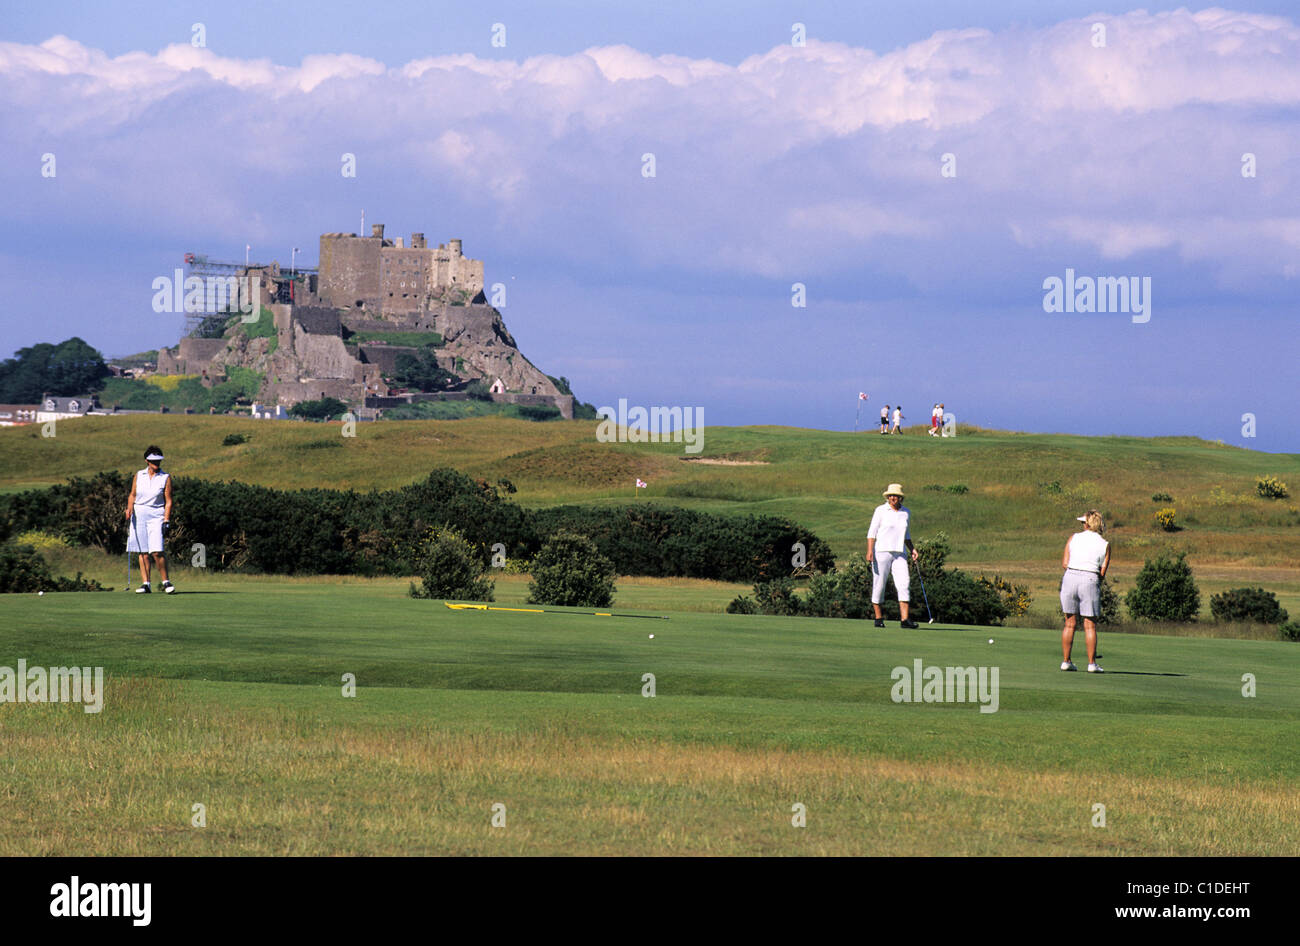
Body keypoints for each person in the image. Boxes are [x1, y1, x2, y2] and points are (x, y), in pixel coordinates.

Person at [1060, 510, 1109, 672]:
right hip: (1090, 578)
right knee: (1089, 626)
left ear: (1088, 524)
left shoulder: (1073, 538)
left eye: (1083, 522)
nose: (1082, 524)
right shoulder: (1105, 544)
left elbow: (1065, 563)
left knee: (1070, 623)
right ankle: (1091, 664)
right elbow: (1102, 572)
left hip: (1070, 577)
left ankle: (1066, 661)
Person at [867, 483, 920, 628]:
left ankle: (905, 620)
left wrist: (912, 549)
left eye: (895, 496)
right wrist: (869, 551)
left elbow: (906, 534)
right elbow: (872, 533)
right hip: (881, 551)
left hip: (900, 553)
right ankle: (878, 618)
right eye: (890, 495)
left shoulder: (906, 512)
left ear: (900, 498)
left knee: (904, 584)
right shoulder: (880, 510)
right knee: (879, 584)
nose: (892, 498)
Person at [125, 445, 175, 594]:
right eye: (153, 461)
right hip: (139, 514)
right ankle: (146, 584)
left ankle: (166, 582)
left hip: (156, 515)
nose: (156, 463)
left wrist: (166, 520)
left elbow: (169, 501)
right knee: (143, 552)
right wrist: (129, 509)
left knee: (157, 551)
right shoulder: (139, 475)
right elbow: (132, 495)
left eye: (158, 460)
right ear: (147, 460)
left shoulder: (165, 477)